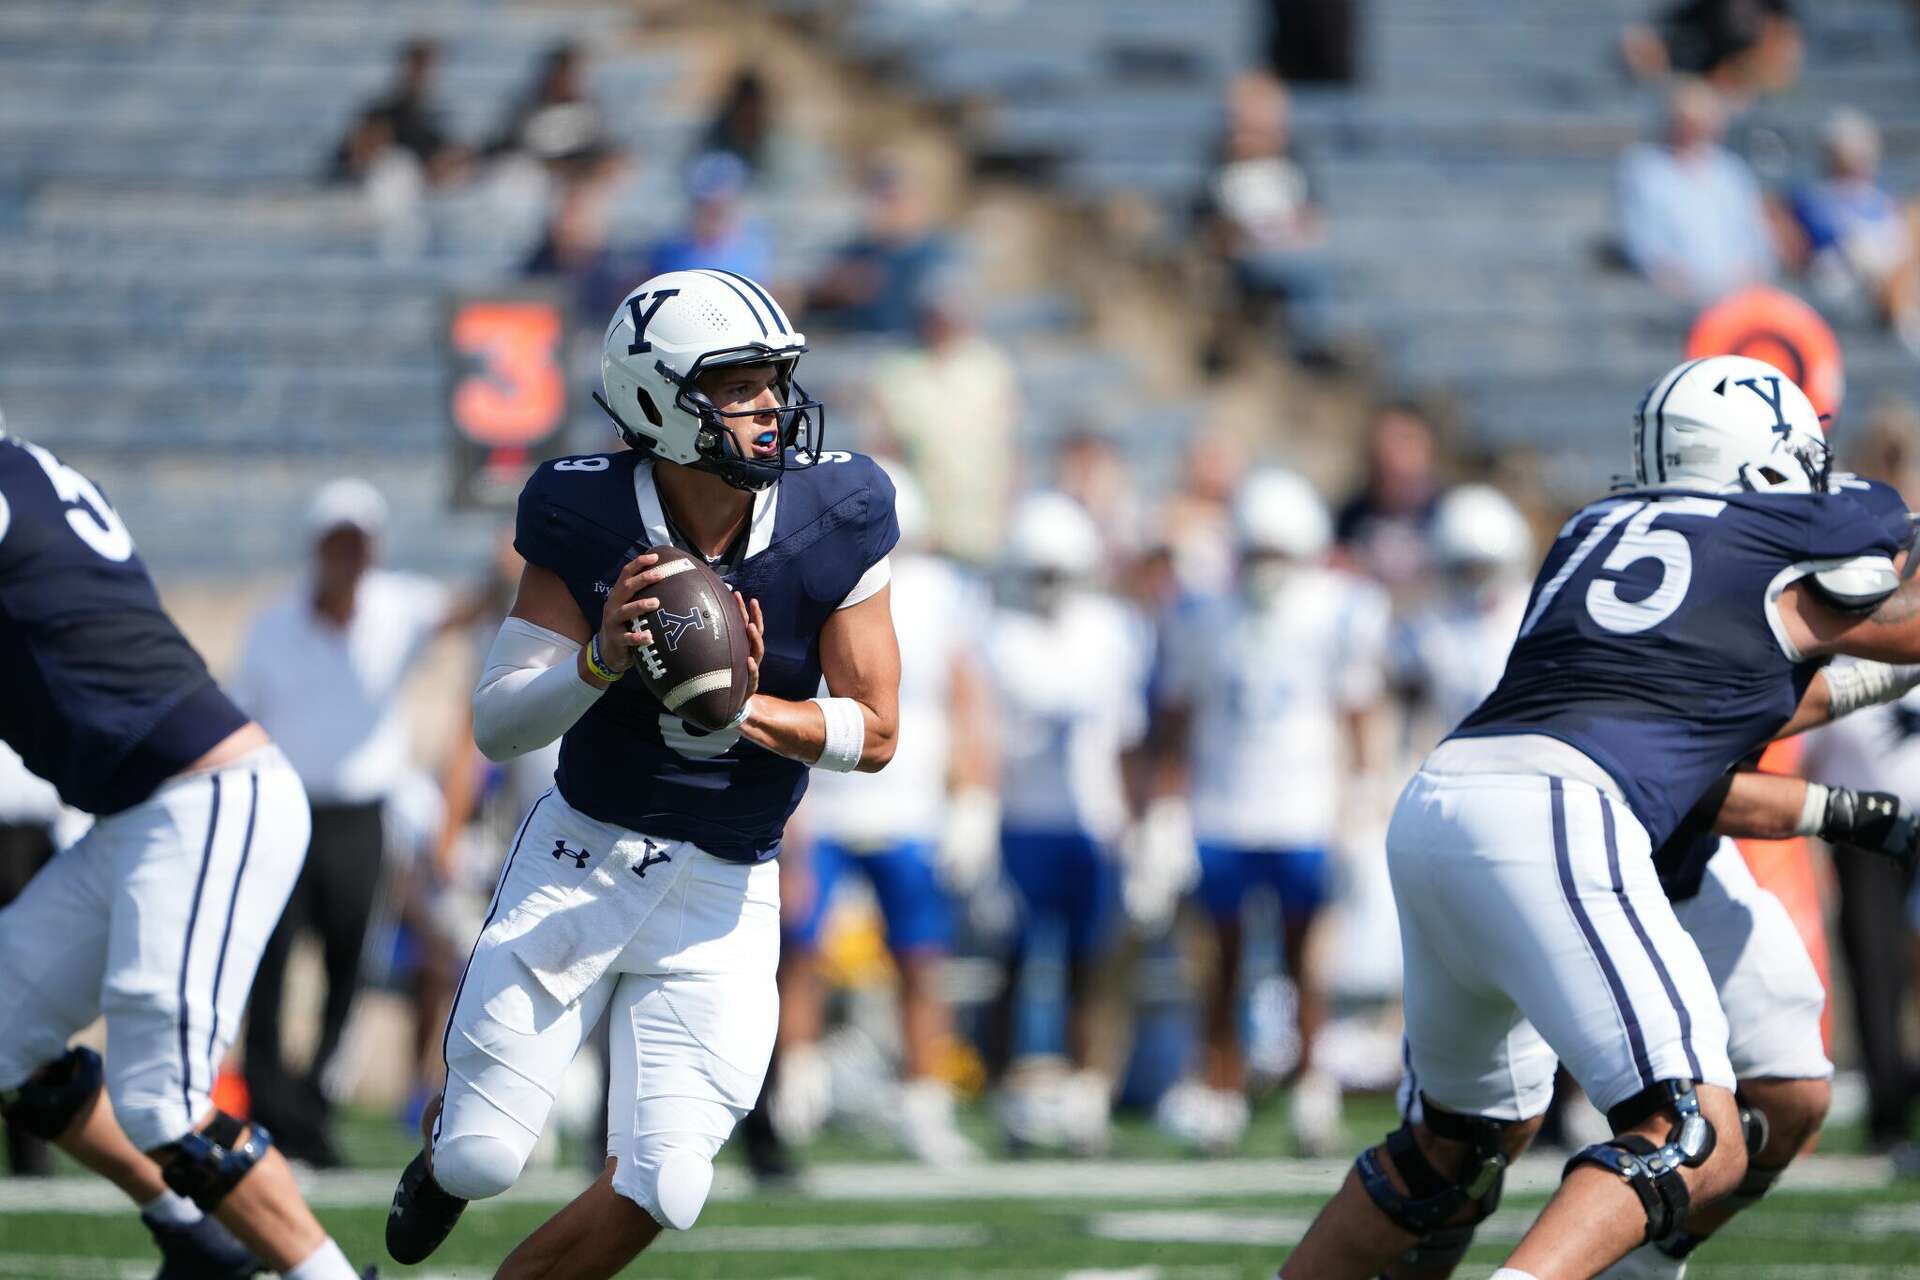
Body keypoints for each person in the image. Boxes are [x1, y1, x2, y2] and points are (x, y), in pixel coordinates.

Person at [1278, 354, 1920, 1280]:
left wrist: (1855, 801)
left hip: (1447, 805)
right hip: (1565, 818)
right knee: (1692, 1131)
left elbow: (1736, 704)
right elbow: (1889, 597)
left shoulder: (1592, 530)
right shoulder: (1774, 531)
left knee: (1450, 1155)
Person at [385, 268, 901, 1277]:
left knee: (668, 1180)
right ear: (659, 398)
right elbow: (496, 722)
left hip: (726, 880)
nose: (770, 405)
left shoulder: (837, 506)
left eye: (774, 378)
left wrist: (735, 703)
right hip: (582, 856)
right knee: (487, 1154)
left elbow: (876, 732)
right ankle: (445, 1160)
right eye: (739, 383)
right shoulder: (583, 510)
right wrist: (601, 661)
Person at [0, 431, 373, 1278]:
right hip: (139, 809)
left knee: (164, 1102)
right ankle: (197, 1238)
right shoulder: (25, 469)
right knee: (5, 1034)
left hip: (203, 798)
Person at [233, 479, 474, 1167]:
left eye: (358, 544)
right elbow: (242, 714)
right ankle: (268, 1104)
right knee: (271, 966)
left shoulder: (396, 605)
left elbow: (461, 613)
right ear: (318, 548)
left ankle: (316, 1109)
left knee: (349, 968)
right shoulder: (274, 623)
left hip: (359, 819)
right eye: (338, 544)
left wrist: (505, 562)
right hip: (283, 811)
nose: (348, 557)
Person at [1150, 470, 1387, 1157]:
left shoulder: (1339, 608)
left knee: (1303, 963)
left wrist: (1363, 803)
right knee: (1218, 965)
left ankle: (1313, 1091)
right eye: (1256, 553)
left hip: (1304, 810)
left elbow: (1358, 711)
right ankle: (1222, 1091)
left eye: (1278, 554)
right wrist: (1165, 809)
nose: (1265, 569)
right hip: (1223, 810)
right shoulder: (1200, 613)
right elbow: (1178, 717)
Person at [777, 465, 989, 1165]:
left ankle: (925, 1102)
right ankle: (791, 1098)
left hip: (907, 803)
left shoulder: (941, 595)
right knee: (799, 954)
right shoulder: (817, 579)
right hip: (828, 797)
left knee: (920, 960)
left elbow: (962, 699)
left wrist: (973, 797)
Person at [983, 492, 1150, 1155]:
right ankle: (1004, 1096)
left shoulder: (1113, 631)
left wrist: (1144, 824)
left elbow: (1130, 739)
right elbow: (979, 735)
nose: (1049, 586)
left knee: (1093, 965)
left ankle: (1089, 1093)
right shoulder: (995, 631)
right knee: (1012, 963)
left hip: (1093, 824)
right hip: (1019, 823)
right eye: (1039, 572)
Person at [1617, 81, 1777, 303]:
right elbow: (1645, 244)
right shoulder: (1645, 170)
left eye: (1702, 124)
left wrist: (1746, 274)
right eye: (1688, 124)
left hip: (1735, 300)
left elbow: (1757, 239)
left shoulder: (1732, 171)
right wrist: (1681, 283)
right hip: (1672, 299)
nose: (1694, 133)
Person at [1783, 109, 1920, 344]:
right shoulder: (1815, 200)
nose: (1861, 155)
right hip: (1845, 285)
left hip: (1894, 284)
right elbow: (1841, 245)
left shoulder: (1883, 200)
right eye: (1852, 148)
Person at [807, 158, 953, 337]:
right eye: (883, 200)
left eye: (897, 200)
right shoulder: (855, 253)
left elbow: (949, 316)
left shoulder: (938, 256)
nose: (889, 209)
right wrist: (834, 291)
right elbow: (814, 302)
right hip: (855, 348)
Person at [1334, 402, 1445, 596]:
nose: (1391, 455)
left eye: (1404, 441)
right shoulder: (1349, 520)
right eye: (1384, 443)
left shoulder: (1450, 518)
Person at [485, 41, 607, 171]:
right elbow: (511, 143)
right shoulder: (528, 105)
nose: (568, 79)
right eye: (563, 72)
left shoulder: (588, 111)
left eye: (575, 74)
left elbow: (592, 146)